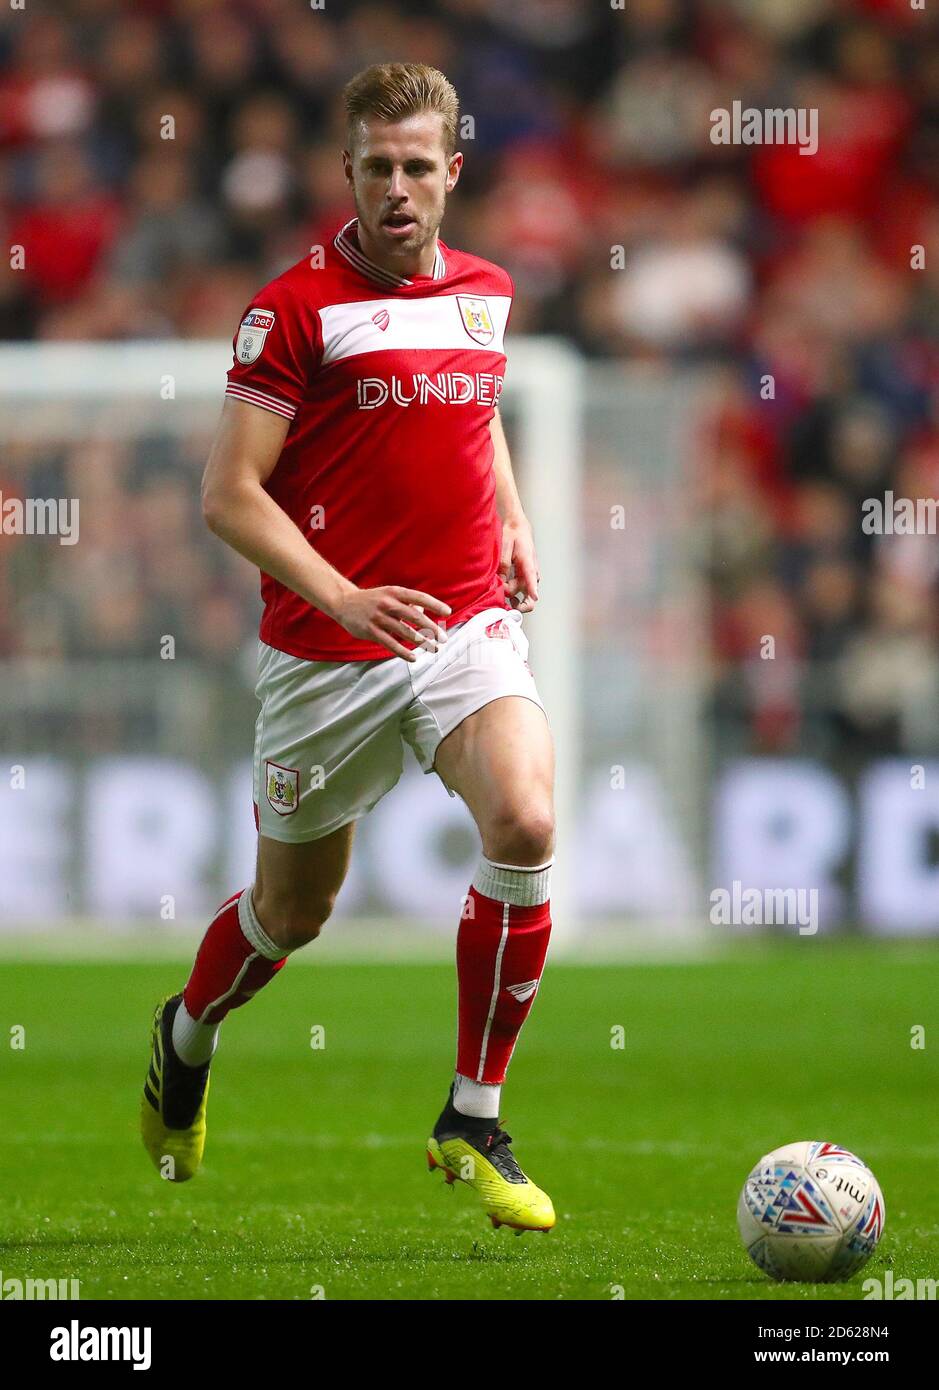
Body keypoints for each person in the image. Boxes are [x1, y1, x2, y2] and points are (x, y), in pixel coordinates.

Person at [141, 62, 556, 1234]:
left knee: (524, 820)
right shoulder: (294, 308)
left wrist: (513, 519)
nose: (398, 188)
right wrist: (345, 593)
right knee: (290, 913)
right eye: (377, 167)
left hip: (464, 623)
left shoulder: (487, 290)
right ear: (348, 174)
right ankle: (185, 1035)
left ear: (452, 173)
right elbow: (229, 496)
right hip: (328, 655)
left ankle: (472, 1116)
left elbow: (473, 416)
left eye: (419, 166)